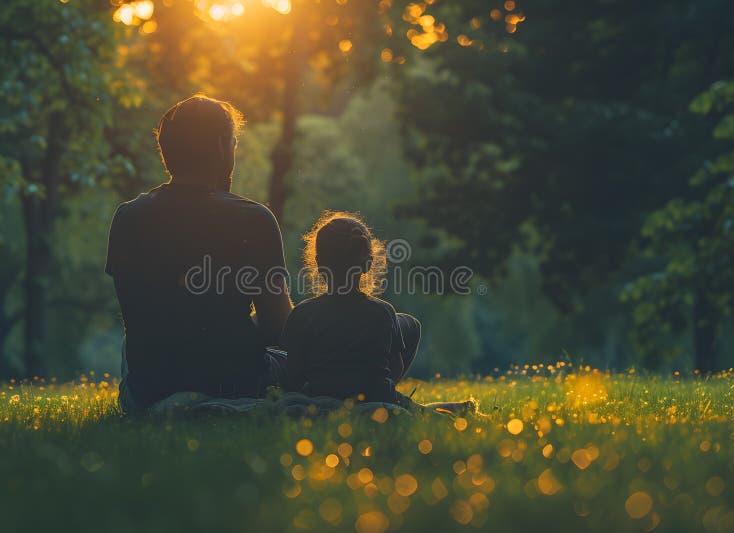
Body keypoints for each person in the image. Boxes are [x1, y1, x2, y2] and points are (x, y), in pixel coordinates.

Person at [105, 94, 293, 414]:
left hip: (150, 384)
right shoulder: (254, 219)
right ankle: (212, 402)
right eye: (233, 143)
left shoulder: (128, 217)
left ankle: (172, 403)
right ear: (221, 145)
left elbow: (138, 317)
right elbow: (280, 326)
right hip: (233, 379)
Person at [280, 211, 478, 414]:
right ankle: (456, 408)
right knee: (418, 411)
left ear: (319, 263)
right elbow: (396, 366)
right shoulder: (382, 312)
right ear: (367, 263)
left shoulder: (302, 314)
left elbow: (294, 373)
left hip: (319, 394)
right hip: (377, 395)